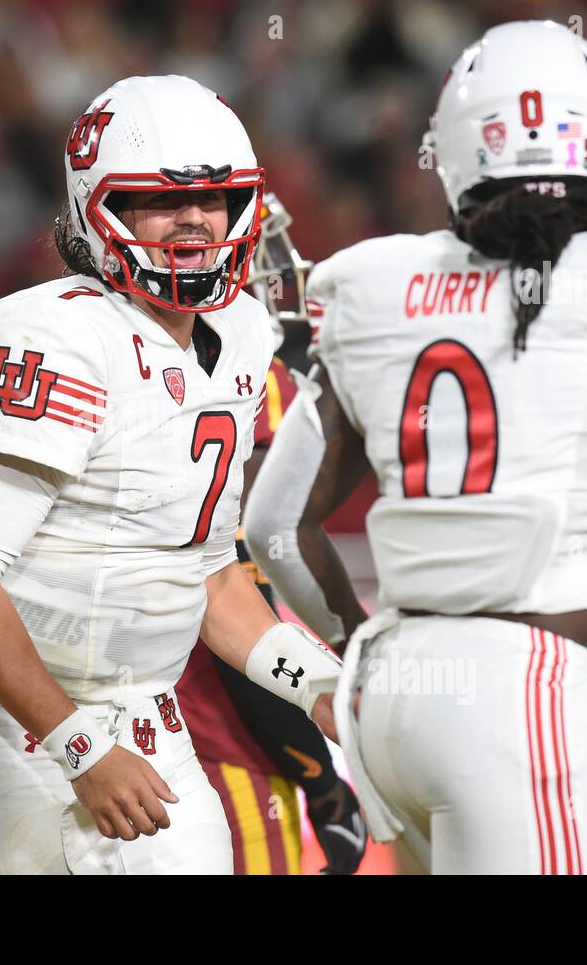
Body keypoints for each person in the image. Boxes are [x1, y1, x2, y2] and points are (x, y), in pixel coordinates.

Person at [245, 20, 587, 874]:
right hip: (522, 692)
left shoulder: (373, 282)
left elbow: (274, 529)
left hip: (389, 693)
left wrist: (360, 651)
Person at [0, 75, 342, 875]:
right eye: (157, 201)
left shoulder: (243, 331)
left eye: (214, 200)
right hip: (19, 728)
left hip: (153, 717)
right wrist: (78, 746)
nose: (193, 220)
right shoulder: (53, 331)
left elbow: (213, 581)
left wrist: (322, 686)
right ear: (95, 210)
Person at [176, 194, 366, 875]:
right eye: (255, 254)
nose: (276, 275)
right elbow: (235, 606)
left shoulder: (111, 358)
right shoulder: (251, 379)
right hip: (220, 753)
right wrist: (320, 779)